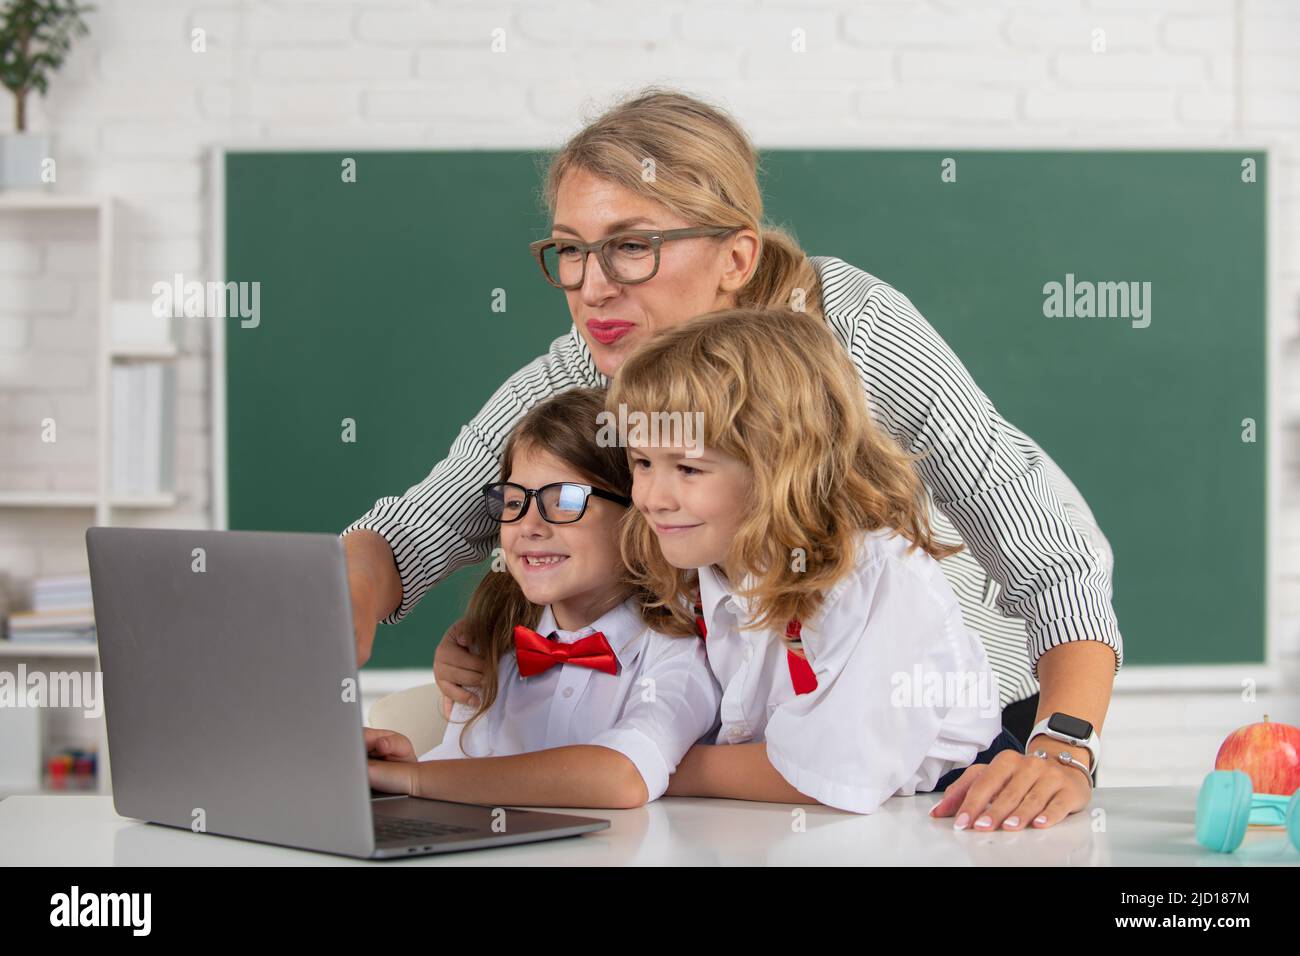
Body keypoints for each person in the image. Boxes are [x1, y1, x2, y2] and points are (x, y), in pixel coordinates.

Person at [342, 86, 1121, 831]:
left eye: (631, 248)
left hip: (945, 748)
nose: (590, 288)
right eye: (570, 251)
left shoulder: (851, 331)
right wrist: (336, 631)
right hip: (740, 742)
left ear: (737, 256)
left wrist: (1063, 740)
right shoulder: (585, 370)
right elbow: (414, 532)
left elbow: (1046, 552)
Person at [607, 305, 1022, 813]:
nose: (653, 497)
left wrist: (638, 768)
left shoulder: (874, 576)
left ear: (783, 464)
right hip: (765, 811)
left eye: (689, 469)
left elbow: (827, 773)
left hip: (930, 812)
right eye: (643, 462)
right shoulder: (701, 560)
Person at [365, 387, 720, 808]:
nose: (529, 525)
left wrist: (417, 778)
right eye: (514, 501)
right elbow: (460, 766)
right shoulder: (492, 642)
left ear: (636, 515)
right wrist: (405, 768)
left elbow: (623, 776)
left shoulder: (679, 650)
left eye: (566, 500)